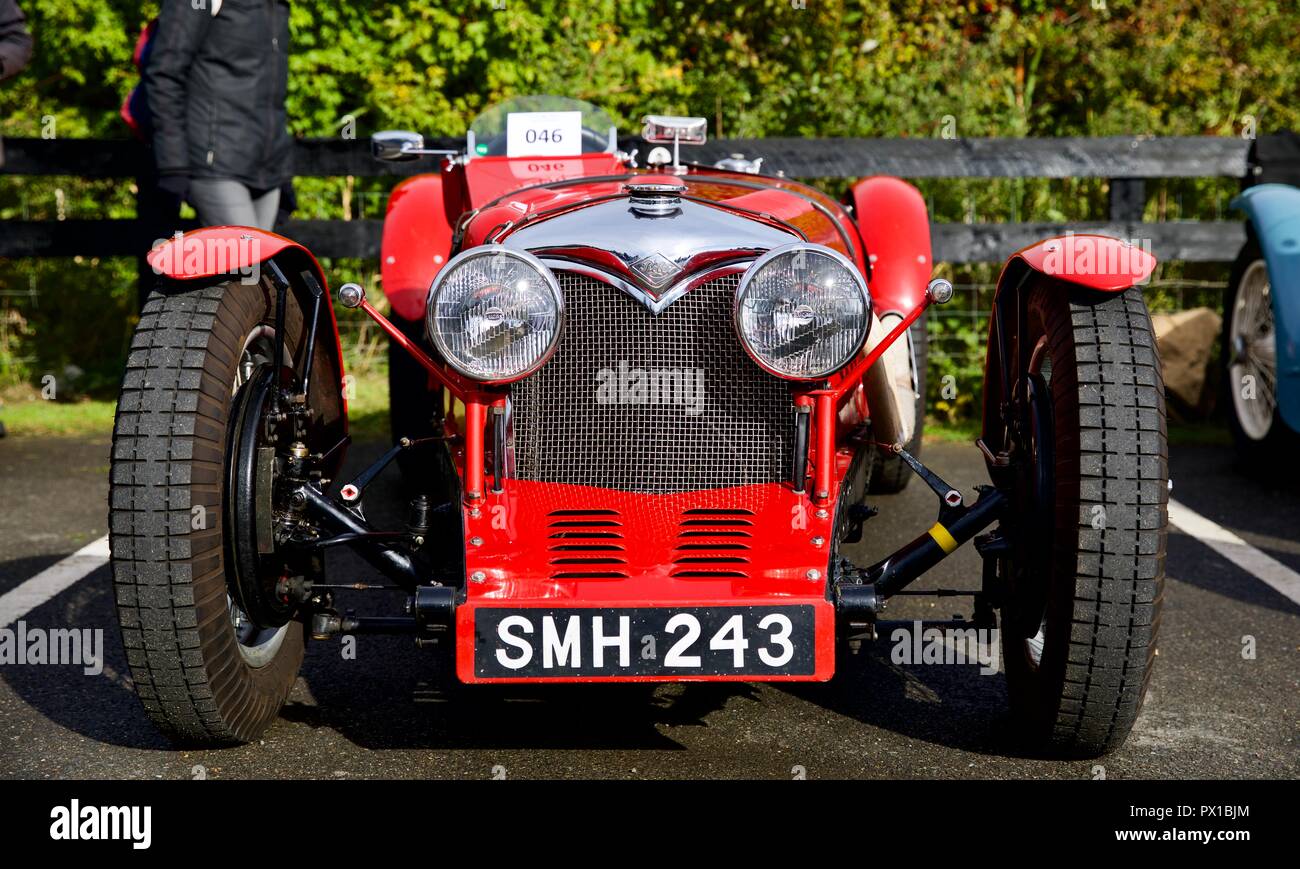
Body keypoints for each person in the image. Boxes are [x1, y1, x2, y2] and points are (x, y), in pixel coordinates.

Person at [145, 0, 292, 230]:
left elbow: (270, 95)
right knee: (246, 262)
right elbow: (164, 73)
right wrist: (173, 164)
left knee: (259, 265)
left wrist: (281, 170)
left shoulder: (276, 6)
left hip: (265, 167)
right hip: (213, 160)